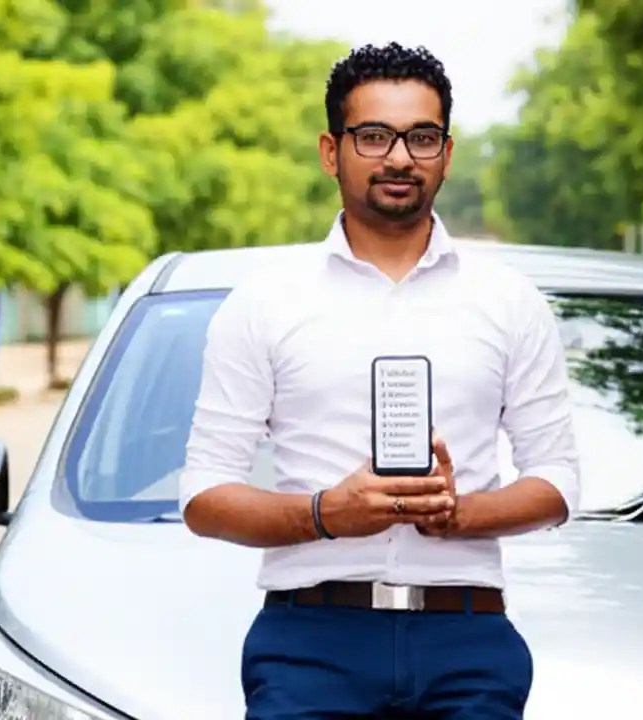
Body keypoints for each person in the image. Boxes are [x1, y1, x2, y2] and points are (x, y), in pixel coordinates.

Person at [179, 42, 582, 719]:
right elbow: (203, 493)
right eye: (374, 136)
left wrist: (460, 516)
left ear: (447, 155)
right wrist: (325, 514)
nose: (399, 157)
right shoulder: (265, 302)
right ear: (331, 152)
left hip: (468, 638)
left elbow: (558, 479)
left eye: (422, 137)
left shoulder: (508, 301)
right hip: (310, 641)